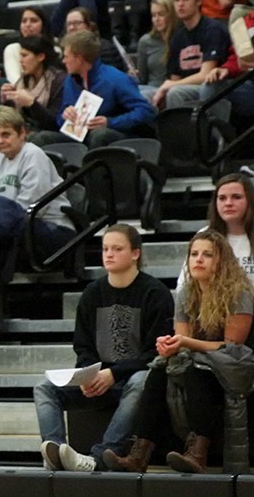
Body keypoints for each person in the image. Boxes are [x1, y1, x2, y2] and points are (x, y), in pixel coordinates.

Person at [103, 229, 254, 473]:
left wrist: (184, 342)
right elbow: (183, 339)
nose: (198, 260)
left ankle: (197, 454)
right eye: (194, 254)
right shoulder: (186, 293)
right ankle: (139, 454)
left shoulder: (239, 293)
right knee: (159, 372)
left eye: (207, 255)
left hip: (235, 365)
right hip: (199, 359)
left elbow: (232, 346)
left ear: (222, 261)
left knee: (196, 372)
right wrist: (169, 346)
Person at [35, 224, 174, 472]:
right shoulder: (92, 293)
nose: (108, 254)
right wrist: (87, 374)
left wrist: (114, 374)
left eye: (117, 249)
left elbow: (155, 353)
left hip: (131, 381)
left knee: (142, 380)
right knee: (44, 387)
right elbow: (82, 345)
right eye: (105, 249)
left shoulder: (156, 294)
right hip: (98, 379)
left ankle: (97, 457)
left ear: (135, 253)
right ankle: (55, 451)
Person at [0, 106, 76, 256]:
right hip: (9, 223)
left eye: (6, 135)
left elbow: (29, 207)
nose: (0, 141)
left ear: (22, 133)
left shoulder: (33, 155)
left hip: (51, 227)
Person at [29, 31, 155, 149]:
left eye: (66, 56)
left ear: (79, 58)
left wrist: (110, 122)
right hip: (81, 135)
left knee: (99, 135)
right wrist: (65, 115)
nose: (63, 61)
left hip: (118, 135)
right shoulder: (70, 80)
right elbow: (61, 119)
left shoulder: (115, 79)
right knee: (41, 138)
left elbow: (145, 111)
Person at [151, 0, 230, 109]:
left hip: (210, 88)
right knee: (144, 94)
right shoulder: (177, 37)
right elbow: (175, 78)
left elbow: (205, 75)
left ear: (198, 1)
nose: (180, 4)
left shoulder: (213, 29)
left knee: (175, 92)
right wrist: (168, 88)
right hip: (181, 87)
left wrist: (171, 85)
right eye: (177, 0)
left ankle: (179, 126)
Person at [177, 173, 254, 287]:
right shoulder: (205, 235)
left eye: (236, 197)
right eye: (222, 198)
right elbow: (184, 285)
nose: (228, 203)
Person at [0, 35, 67, 134]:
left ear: (40, 57)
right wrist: (6, 100)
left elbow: (55, 122)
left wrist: (32, 103)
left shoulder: (58, 81)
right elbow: (13, 117)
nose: (20, 60)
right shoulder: (24, 79)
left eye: (24, 55)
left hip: (47, 133)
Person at [135, 0, 178, 101]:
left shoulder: (181, 38)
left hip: (172, 88)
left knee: (141, 96)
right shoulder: (146, 41)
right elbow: (142, 78)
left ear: (171, 15)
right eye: (153, 15)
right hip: (151, 87)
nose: (156, 19)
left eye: (161, 14)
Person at [3, 7, 55, 84]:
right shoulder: (12, 49)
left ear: (43, 25)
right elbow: (13, 79)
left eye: (33, 21)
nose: (28, 25)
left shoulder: (56, 49)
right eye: (24, 21)